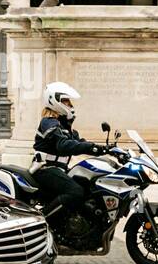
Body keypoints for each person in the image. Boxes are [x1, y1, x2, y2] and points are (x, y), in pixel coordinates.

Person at [31, 82, 105, 221]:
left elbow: (79, 143)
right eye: (66, 101)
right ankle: (41, 222)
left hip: (60, 169)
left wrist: (104, 149)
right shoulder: (49, 122)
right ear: (55, 101)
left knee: (88, 185)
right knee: (75, 192)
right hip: (45, 169)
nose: (70, 105)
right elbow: (63, 145)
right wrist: (91, 147)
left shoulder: (64, 126)